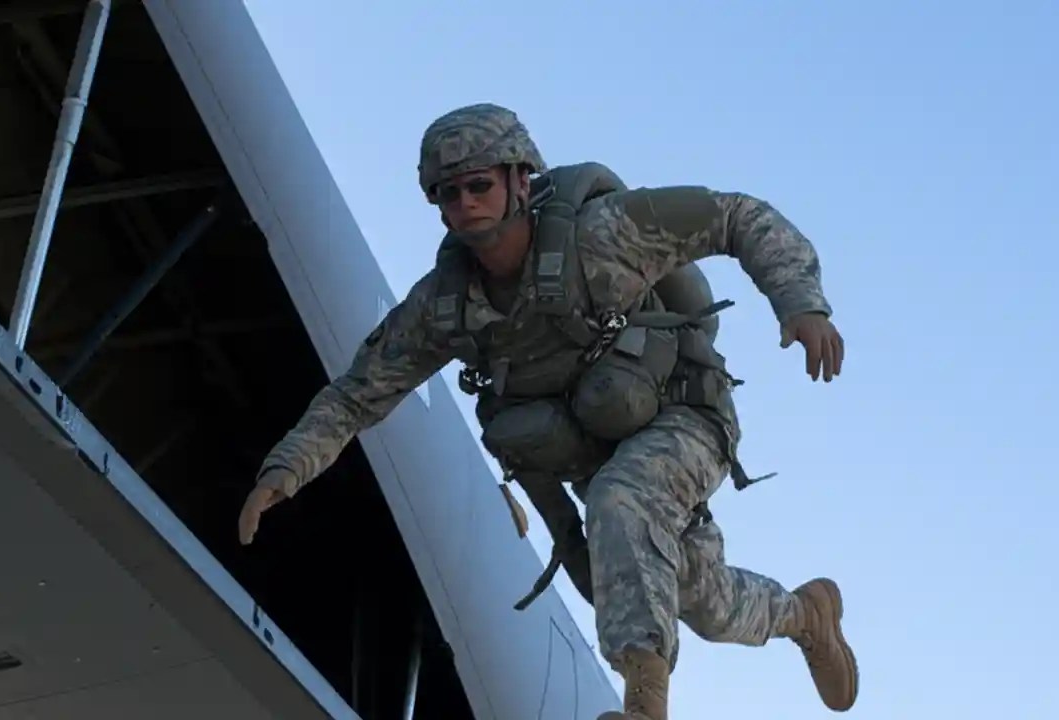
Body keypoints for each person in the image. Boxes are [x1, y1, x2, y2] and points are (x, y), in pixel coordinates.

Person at [237, 103, 857, 719]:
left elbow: (735, 215)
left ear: (520, 180)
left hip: (686, 416)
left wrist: (801, 303)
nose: (466, 203)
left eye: (479, 185)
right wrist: (286, 467)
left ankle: (644, 705)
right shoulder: (444, 308)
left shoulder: (604, 235)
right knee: (701, 600)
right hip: (600, 445)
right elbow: (357, 394)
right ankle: (805, 616)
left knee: (622, 498)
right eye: (449, 193)